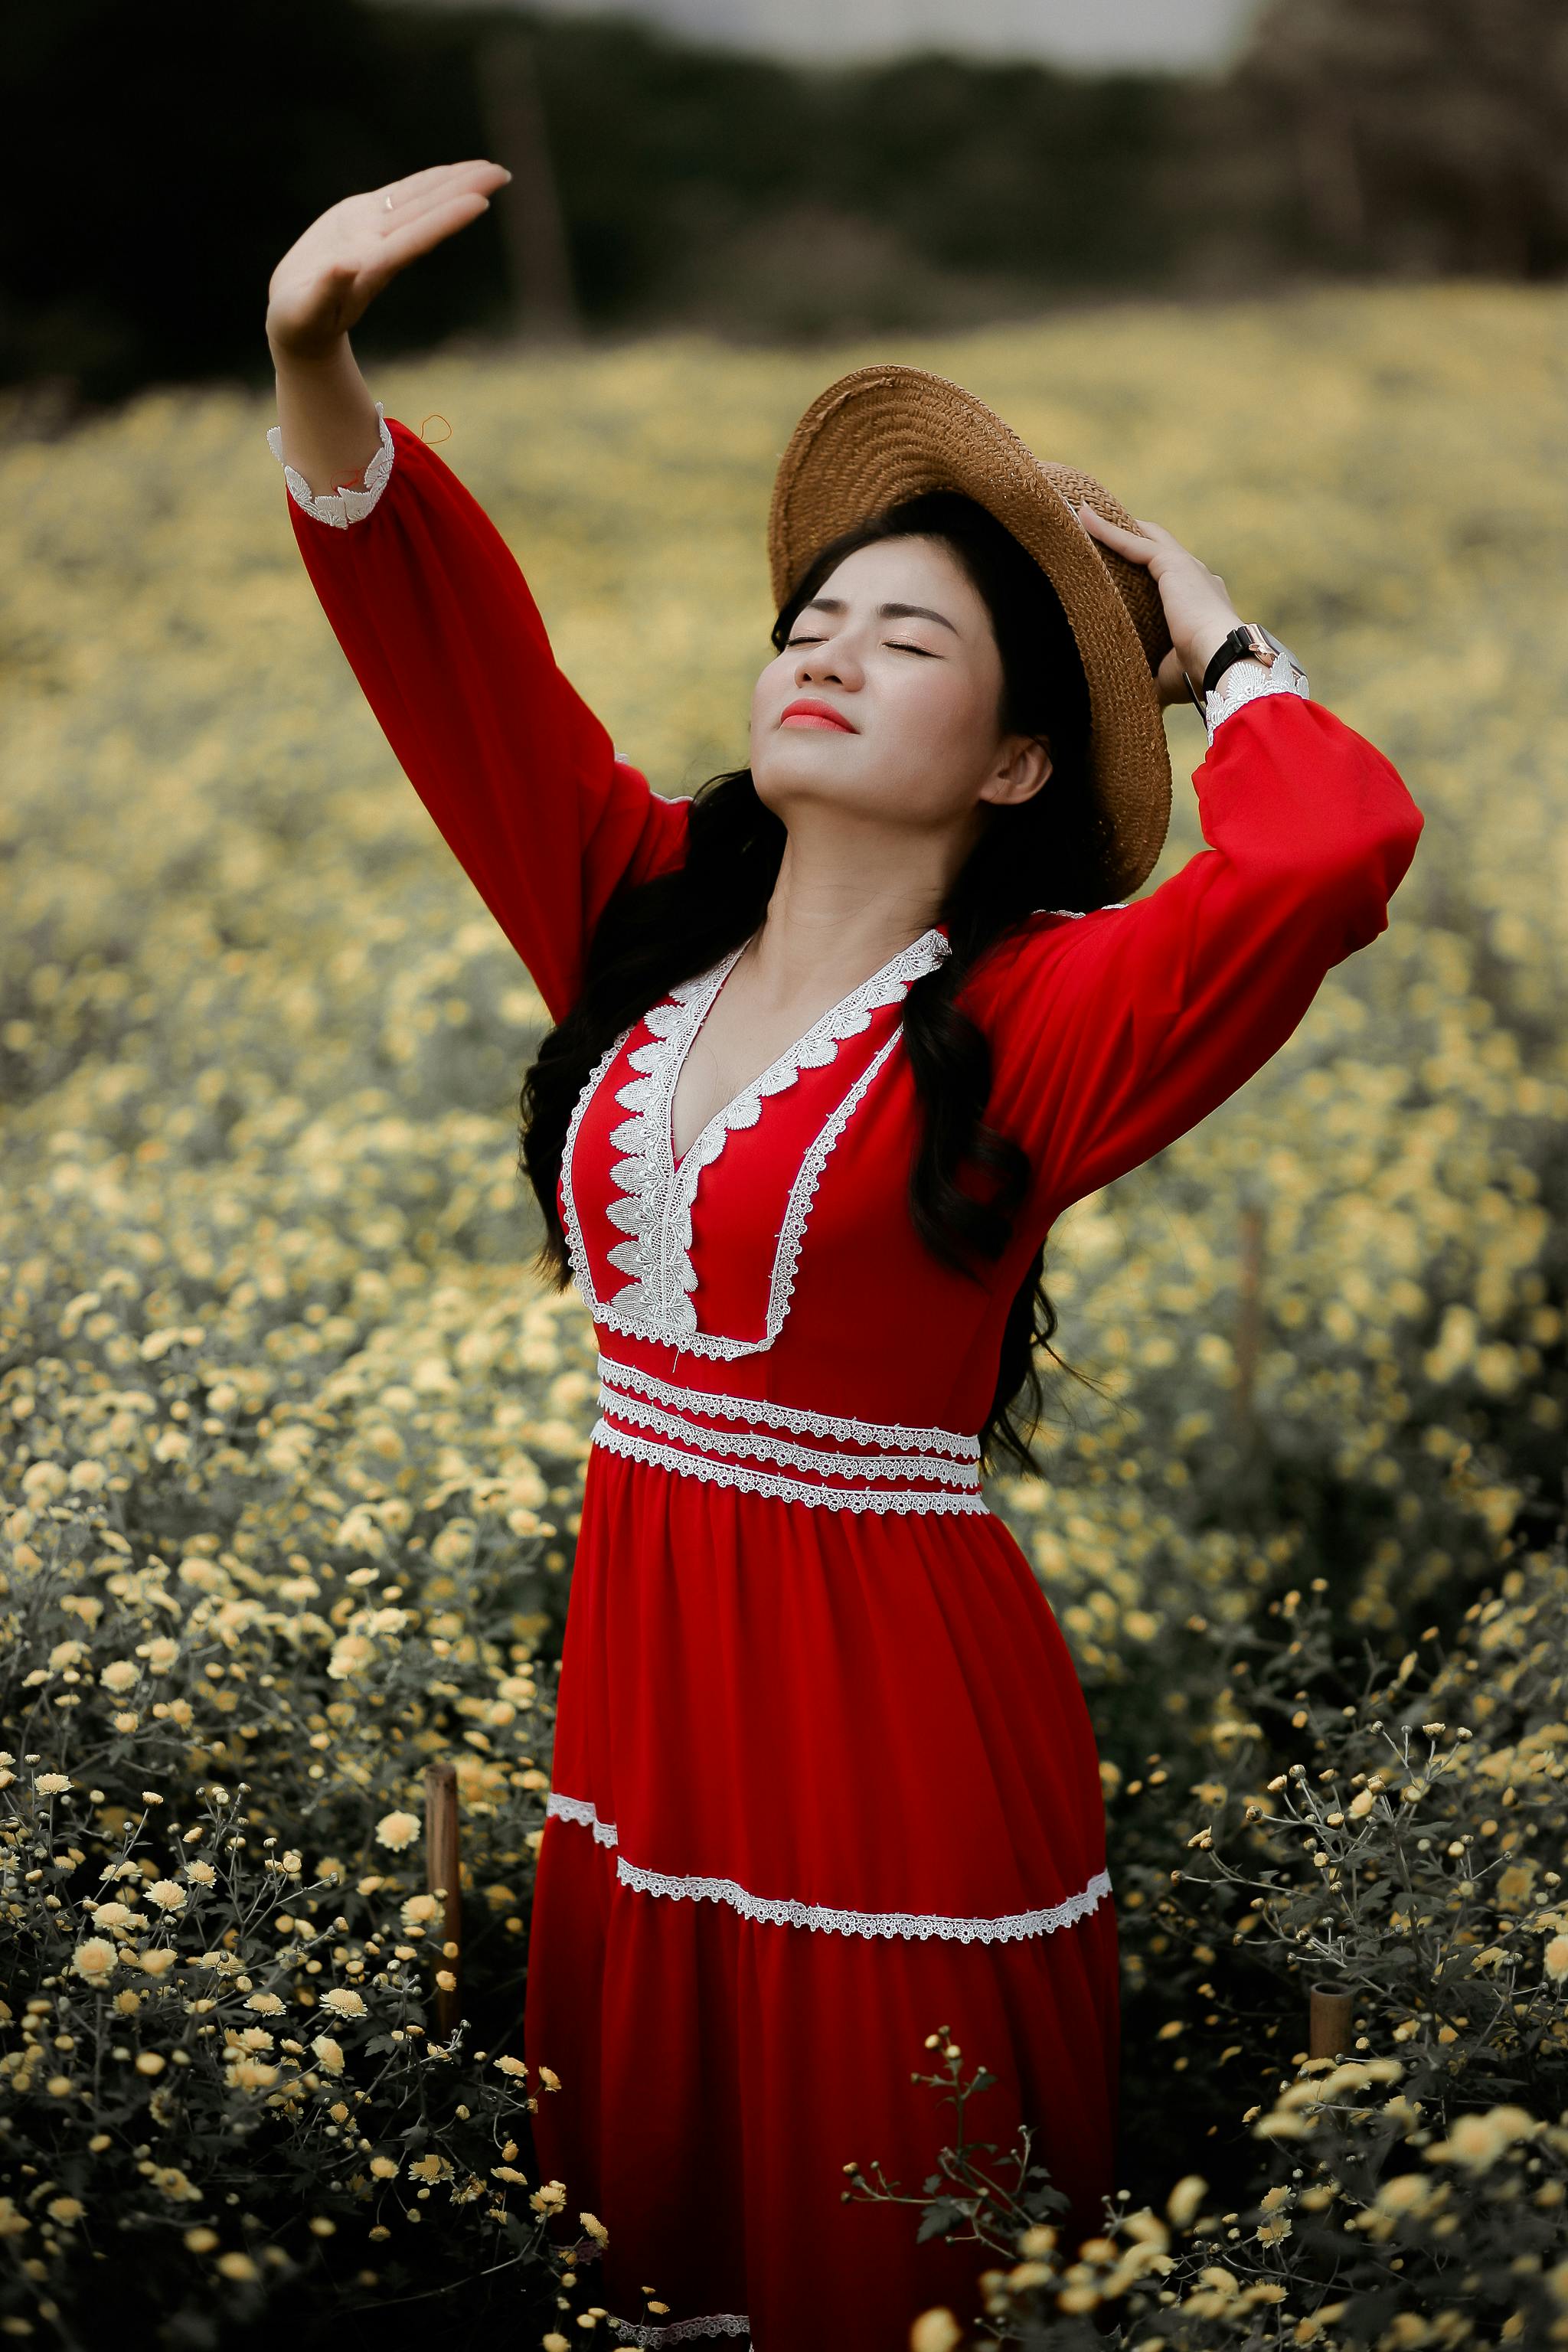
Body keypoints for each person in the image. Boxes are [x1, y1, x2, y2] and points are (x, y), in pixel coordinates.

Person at [264, 161, 1423, 2351]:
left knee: (877, 2268)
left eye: (910, 639)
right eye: (815, 617)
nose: (827, 645)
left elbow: (1342, 848)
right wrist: (315, 353)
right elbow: (452, 664)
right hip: (647, 1706)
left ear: (1010, 760)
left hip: (895, 1732)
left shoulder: (1039, 1026)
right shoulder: (625, 920)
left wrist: (1213, 635)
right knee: (647, 2253)